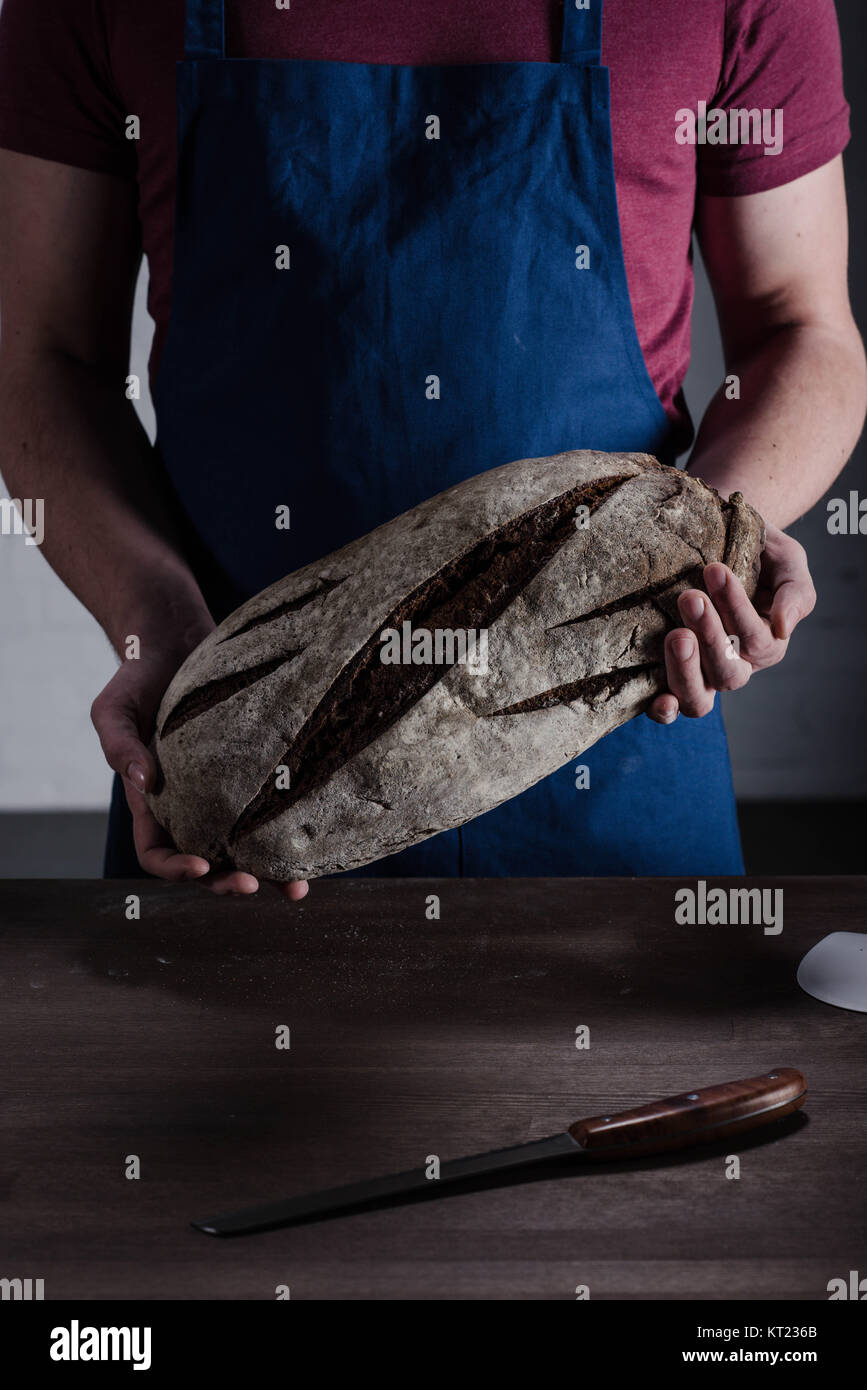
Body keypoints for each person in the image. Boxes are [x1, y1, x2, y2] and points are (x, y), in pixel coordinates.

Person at [0, 1, 863, 900]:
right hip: (242, 768)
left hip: (619, 751)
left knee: (640, 1045)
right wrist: (156, 625)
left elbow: (800, 328)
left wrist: (712, 537)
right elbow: (42, 361)